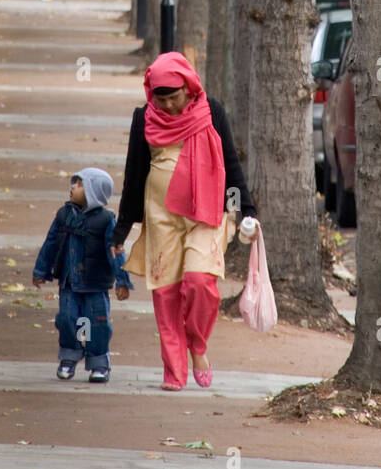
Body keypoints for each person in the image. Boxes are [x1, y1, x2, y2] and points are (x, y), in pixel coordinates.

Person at [111, 52, 258, 391]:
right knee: (165, 294)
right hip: (160, 216)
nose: (170, 107)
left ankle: (198, 346)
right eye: (161, 100)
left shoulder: (212, 112)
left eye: (174, 98)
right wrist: (122, 229)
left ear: (188, 88)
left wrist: (246, 210)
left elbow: (231, 166)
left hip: (206, 214)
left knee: (199, 283)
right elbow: (135, 176)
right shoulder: (143, 118)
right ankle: (173, 370)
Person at [32, 167, 133, 383]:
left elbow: (115, 251)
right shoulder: (63, 215)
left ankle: (98, 362)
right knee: (69, 319)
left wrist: (122, 281)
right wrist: (41, 270)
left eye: (79, 185)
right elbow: (51, 243)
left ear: (92, 192)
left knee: (96, 322)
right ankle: (70, 357)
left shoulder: (106, 220)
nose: (73, 188)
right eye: (73, 183)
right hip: (69, 282)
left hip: (95, 283)